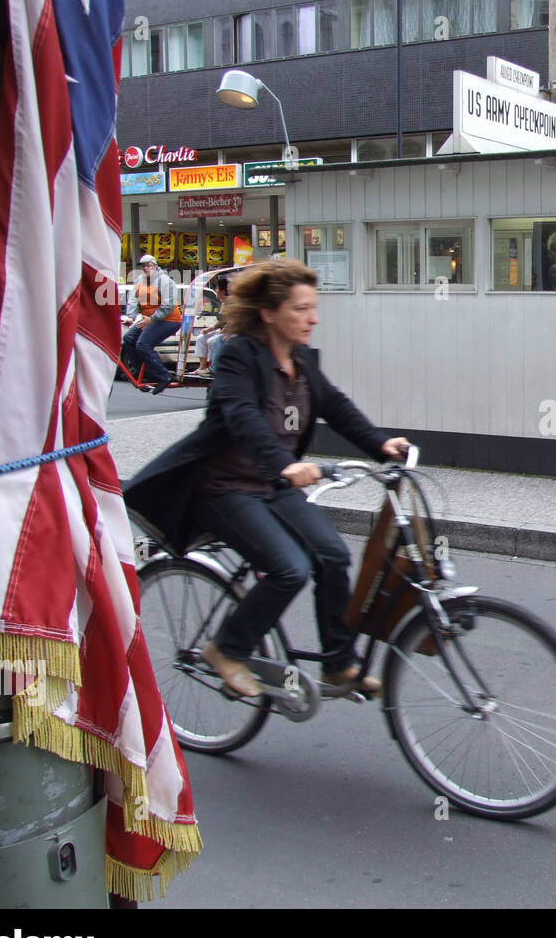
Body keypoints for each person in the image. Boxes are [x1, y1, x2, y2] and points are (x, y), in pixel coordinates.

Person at [125, 259, 411, 698]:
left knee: (333, 556)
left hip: (271, 488)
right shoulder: (239, 356)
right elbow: (242, 418)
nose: (313, 317)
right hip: (224, 490)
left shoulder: (302, 361)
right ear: (269, 313)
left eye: (313, 308)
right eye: (301, 309)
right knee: (289, 569)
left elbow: (337, 407)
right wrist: (284, 464)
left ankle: (338, 665)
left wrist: (381, 444)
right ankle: (226, 649)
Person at [124, 254, 183, 394]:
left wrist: (150, 320)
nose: (145, 268)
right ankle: (144, 373)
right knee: (128, 339)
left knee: (143, 344)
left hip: (169, 320)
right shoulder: (139, 281)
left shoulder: (165, 281)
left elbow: (167, 306)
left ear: (155, 266)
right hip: (148, 319)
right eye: (143, 266)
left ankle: (164, 376)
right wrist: (132, 317)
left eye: (149, 265)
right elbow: (133, 301)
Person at [193, 275, 231, 378]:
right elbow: (221, 321)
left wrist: (223, 331)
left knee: (212, 341)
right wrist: (210, 328)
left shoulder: (232, 303)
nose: (215, 290)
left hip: (231, 330)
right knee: (201, 338)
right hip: (222, 329)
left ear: (222, 291)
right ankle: (202, 366)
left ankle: (212, 367)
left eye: (217, 288)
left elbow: (232, 321)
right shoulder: (223, 303)